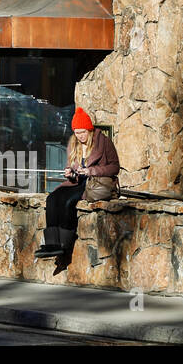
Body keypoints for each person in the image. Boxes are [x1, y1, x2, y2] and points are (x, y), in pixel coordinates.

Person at [35, 107, 120, 259]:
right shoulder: (74, 143)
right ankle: (52, 243)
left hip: (94, 183)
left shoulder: (103, 142)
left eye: (83, 132)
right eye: (77, 132)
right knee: (52, 198)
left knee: (68, 202)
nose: (80, 136)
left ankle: (64, 244)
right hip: (76, 182)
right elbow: (72, 167)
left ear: (90, 130)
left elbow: (115, 167)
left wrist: (91, 171)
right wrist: (70, 172)